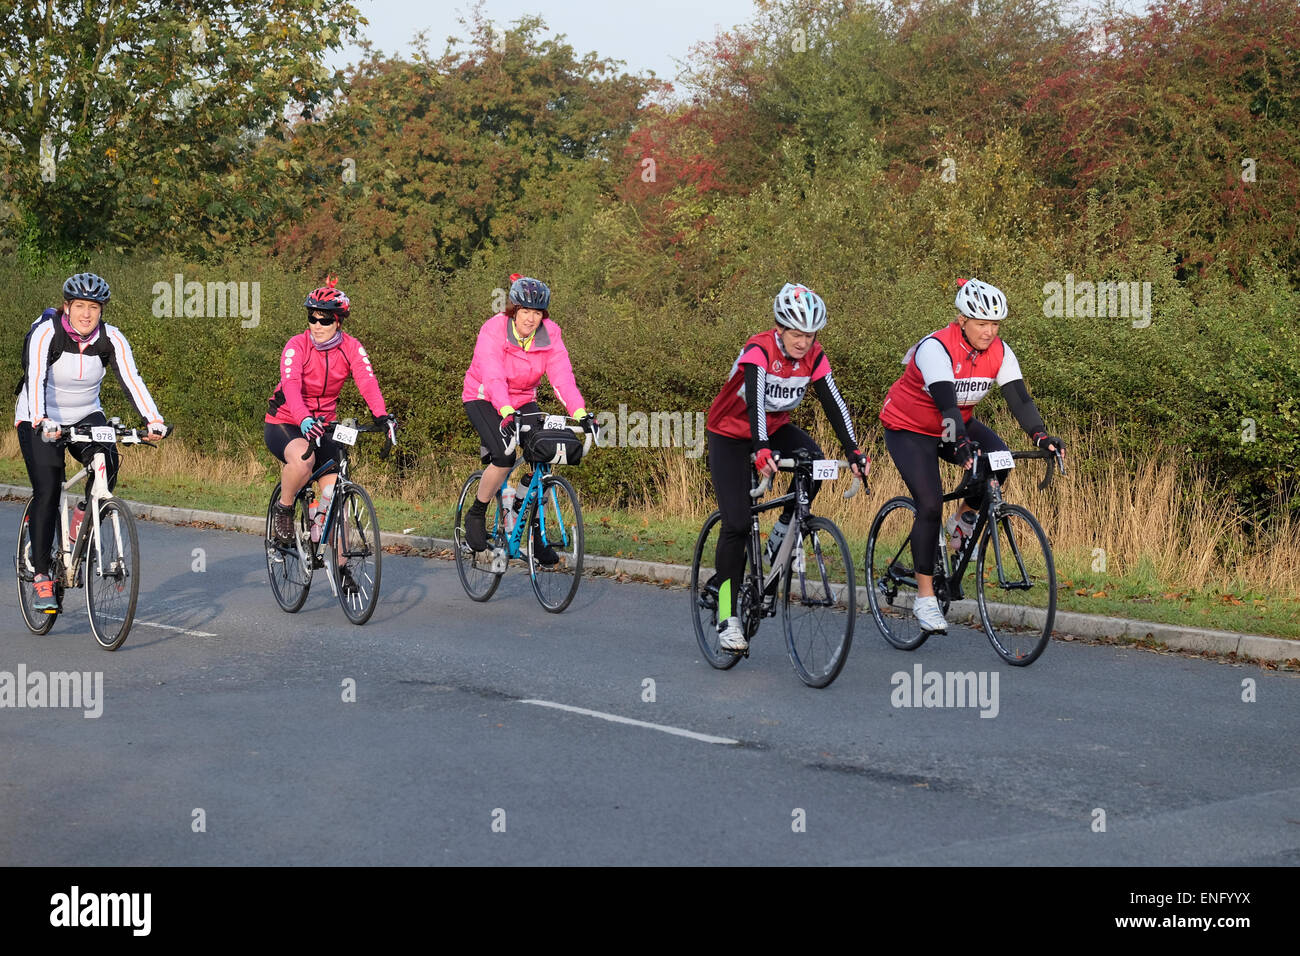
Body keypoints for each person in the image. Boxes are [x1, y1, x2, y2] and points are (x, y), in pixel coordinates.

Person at [879, 277, 1065, 634]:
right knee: (930, 503)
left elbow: (1020, 399)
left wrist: (1041, 436)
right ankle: (925, 597)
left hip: (956, 422)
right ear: (962, 319)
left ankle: (961, 524)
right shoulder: (935, 348)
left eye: (995, 324)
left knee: (1000, 458)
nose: (989, 331)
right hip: (910, 428)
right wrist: (960, 444)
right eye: (981, 323)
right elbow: (946, 404)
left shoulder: (999, 351)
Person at [704, 282, 870, 653]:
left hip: (775, 428)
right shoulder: (758, 349)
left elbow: (834, 402)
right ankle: (727, 616)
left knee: (813, 461)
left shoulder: (814, 355)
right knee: (737, 524)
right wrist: (761, 449)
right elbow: (755, 405)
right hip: (731, 434)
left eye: (809, 335)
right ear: (779, 328)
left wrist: (855, 451)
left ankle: (782, 532)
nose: (802, 341)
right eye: (796, 333)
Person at [14, 273, 168, 611]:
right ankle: (42, 575)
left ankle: (84, 515)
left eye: (94, 308)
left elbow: (132, 379)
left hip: (85, 414)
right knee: (48, 488)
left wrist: (152, 419)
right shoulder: (46, 333)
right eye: (80, 306)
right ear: (67, 306)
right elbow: (35, 376)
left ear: (102, 311)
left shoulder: (111, 338)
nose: (86, 314)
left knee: (108, 460)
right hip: (39, 415)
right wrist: (42, 420)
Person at [264, 277, 395, 593]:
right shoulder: (297, 346)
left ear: (338, 322)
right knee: (303, 461)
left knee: (335, 494)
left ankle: (340, 565)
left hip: (325, 424)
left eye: (325, 319)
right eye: (312, 317)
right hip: (286, 422)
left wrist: (381, 416)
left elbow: (366, 381)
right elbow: (291, 385)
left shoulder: (351, 347)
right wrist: (304, 418)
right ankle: (284, 508)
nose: (317, 324)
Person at [461, 274, 595, 563]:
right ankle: (476, 513)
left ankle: (534, 532)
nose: (530, 319)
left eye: (537, 313)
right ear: (513, 310)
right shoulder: (494, 329)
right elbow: (493, 374)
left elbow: (562, 378)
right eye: (525, 312)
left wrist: (580, 413)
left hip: (523, 401)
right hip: (483, 396)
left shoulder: (550, 335)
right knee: (503, 455)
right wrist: (506, 411)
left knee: (543, 455)